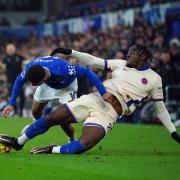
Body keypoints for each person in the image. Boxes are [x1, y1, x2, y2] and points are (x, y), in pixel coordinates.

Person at [0, 44, 180, 155]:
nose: (128, 54)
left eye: (133, 52)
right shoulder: (120, 64)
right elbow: (93, 61)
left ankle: (52, 149)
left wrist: (172, 132)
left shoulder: (155, 78)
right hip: (93, 99)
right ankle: (19, 142)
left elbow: (160, 108)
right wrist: (71, 52)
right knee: (50, 118)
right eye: (130, 51)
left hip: (110, 113)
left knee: (83, 145)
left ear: (143, 56)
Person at [2, 55, 107, 143]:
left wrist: (103, 92)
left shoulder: (64, 69)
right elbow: (18, 81)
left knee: (64, 120)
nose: (33, 86)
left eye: (35, 84)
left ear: (43, 78)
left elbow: (86, 71)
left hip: (67, 88)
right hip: (48, 85)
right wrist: (11, 103)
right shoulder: (31, 67)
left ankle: (72, 139)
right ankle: (36, 126)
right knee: (35, 111)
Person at [2, 43, 25, 116]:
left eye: (11, 49)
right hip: (10, 81)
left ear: (14, 49)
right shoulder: (5, 58)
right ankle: (15, 112)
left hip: (20, 81)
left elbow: (27, 63)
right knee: (11, 97)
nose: (10, 50)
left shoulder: (19, 57)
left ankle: (21, 112)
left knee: (22, 96)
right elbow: (2, 68)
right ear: (6, 50)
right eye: (8, 49)